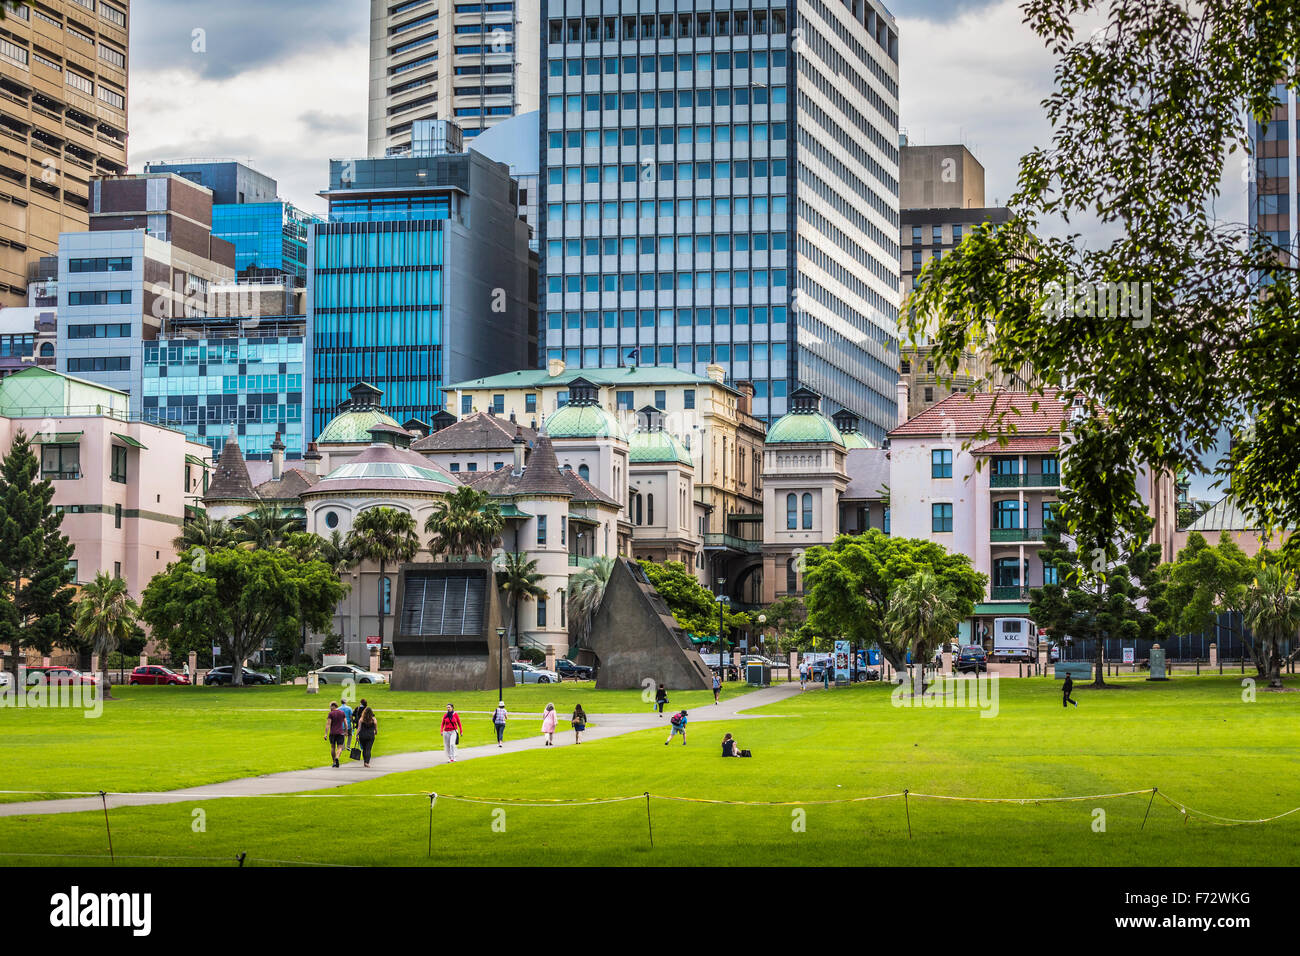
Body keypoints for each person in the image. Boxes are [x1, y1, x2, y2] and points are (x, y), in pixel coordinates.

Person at [354, 698, 378, 768]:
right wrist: (376, 732)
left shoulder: (361, 719)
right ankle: (367, 762)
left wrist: (356, 735)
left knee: (364, 749)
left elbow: (359, 728)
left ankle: (365, 761)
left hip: (362, 735)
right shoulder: (373, 719)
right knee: (368, 749)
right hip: (370, 735)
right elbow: (376, 726)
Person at [324, 701, 347, 768]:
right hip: (340, 732)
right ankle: (337, 757)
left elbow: (328, 724)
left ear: (333, 706)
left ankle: (334, 762)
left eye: (330, 706)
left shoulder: (331, 714)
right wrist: (346, 731)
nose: (330, 708)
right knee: (340, 747)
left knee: (332, 747)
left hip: (332, 733)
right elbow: (345, 723)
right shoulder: (342, 713)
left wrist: (325, 734)